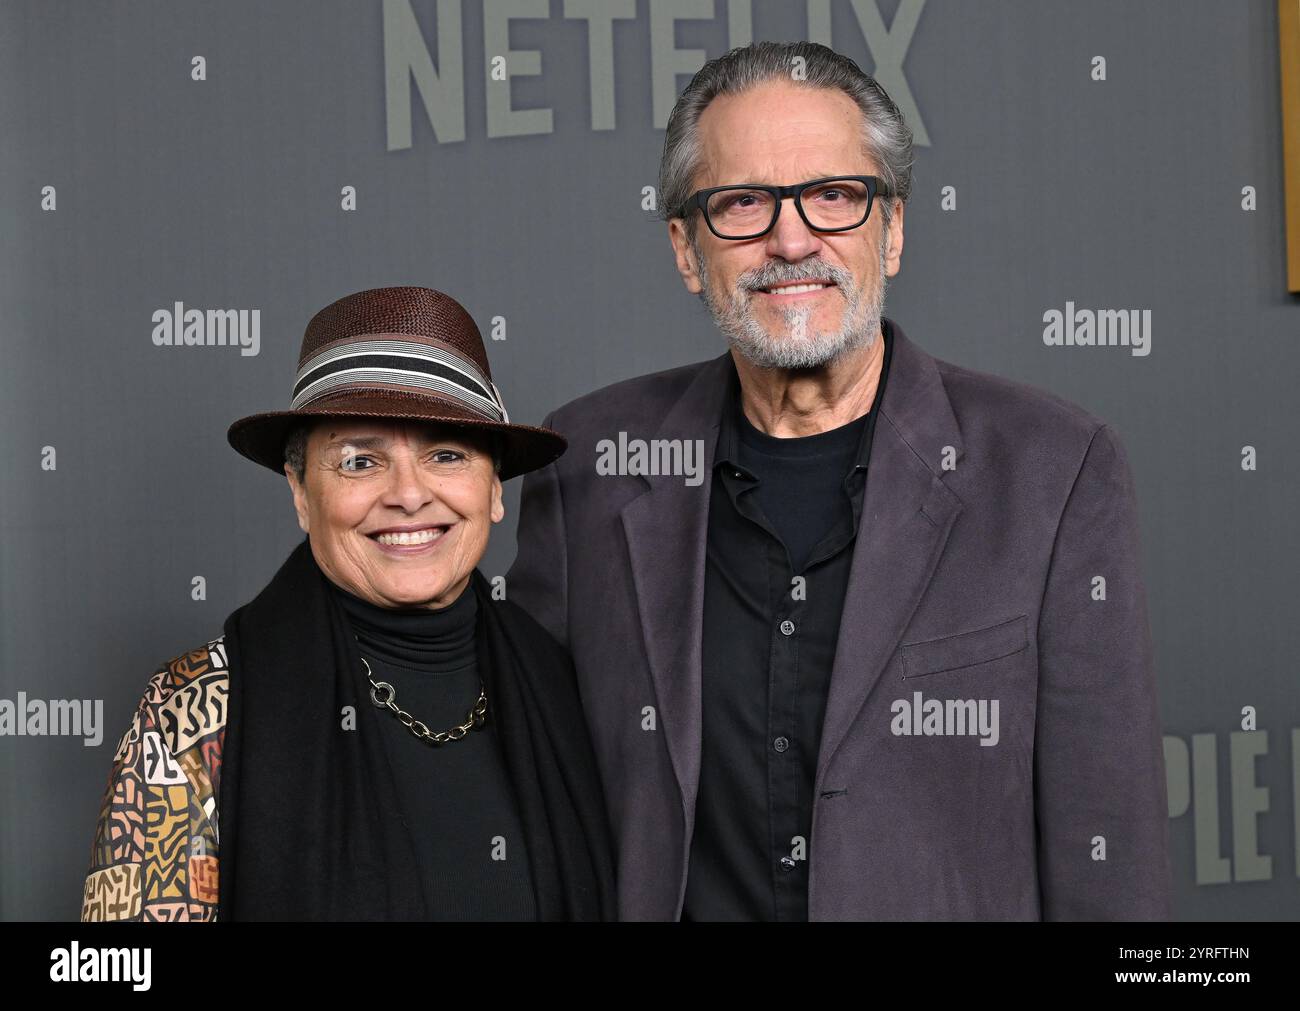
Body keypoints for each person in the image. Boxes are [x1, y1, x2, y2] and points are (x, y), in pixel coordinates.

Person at [507, 41, 1171, 920]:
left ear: (891, 229)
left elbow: (1109, 852)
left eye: (833, 196)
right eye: (742, 201)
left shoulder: (1054, 468)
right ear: (684, 247)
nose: (791, 239)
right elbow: (528, 803)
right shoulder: (588, 462)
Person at [80, 285, 615, 921]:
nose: (409, 495)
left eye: (446, 454)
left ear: (494, 488)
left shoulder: (566, 684)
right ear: (302, 493)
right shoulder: (194, 715)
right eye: (360, 461)